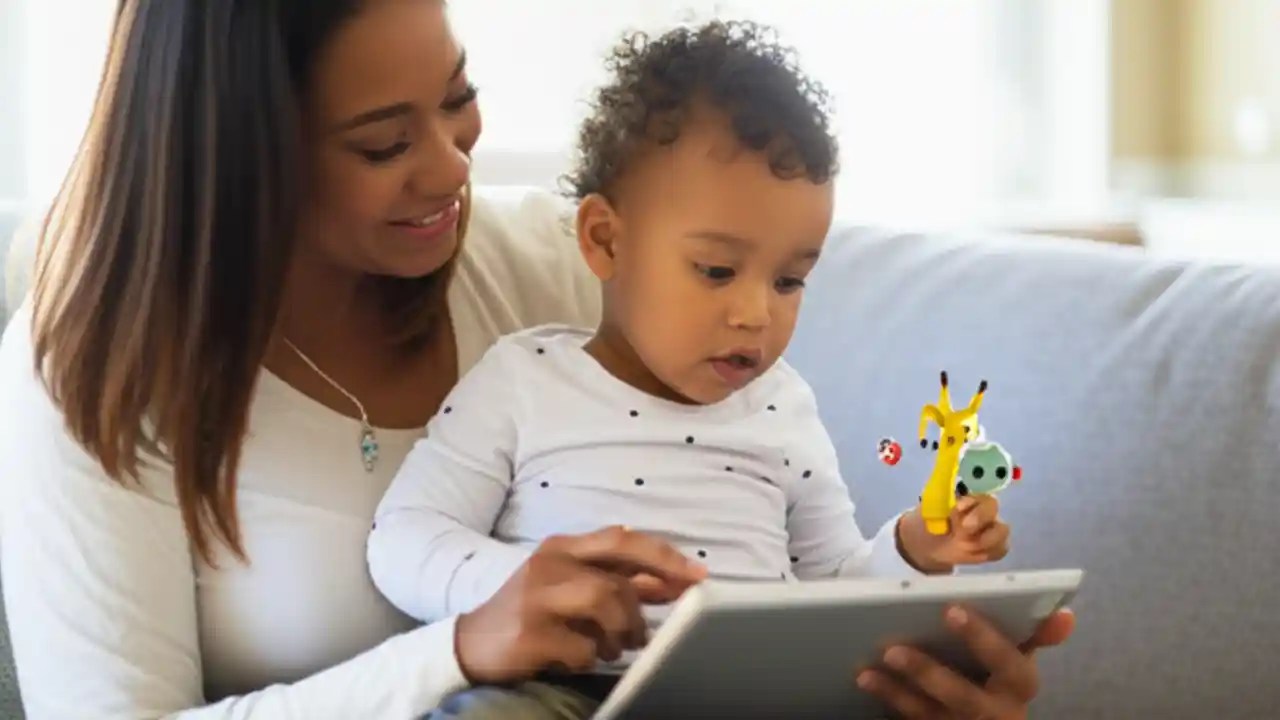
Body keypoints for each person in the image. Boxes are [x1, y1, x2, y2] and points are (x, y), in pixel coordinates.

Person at [0, 1, 1074, 718]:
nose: (449, 163)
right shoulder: (89, 375)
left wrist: (912, 649)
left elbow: (812, 567)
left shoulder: (563, 274)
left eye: (457, 99)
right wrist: (459, 647)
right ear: (239, 156)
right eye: (382, 143)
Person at [366, 20, 1013, 718]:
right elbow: (405, 538)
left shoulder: (784, 409)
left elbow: (834, 584)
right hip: (563, 691)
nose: (756, 313)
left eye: (790, 281)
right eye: (716, 270)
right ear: (605, 240)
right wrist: (526, 585)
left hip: (749, 696)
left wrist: (912, 550)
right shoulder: (524, 379)